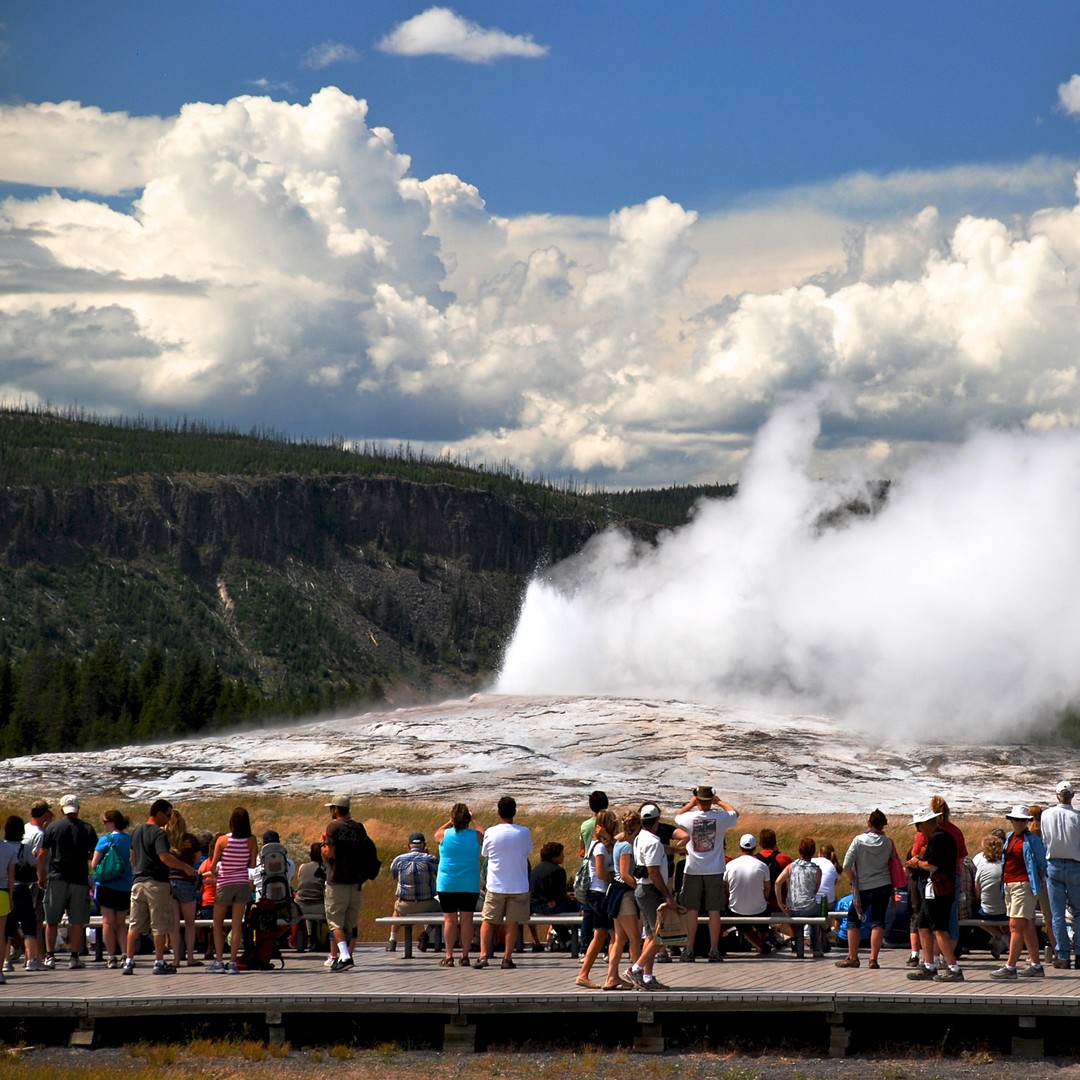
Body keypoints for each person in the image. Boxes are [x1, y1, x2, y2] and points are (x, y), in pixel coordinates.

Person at [123, 798, 199, 976]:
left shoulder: (137, 831)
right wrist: (186, 867)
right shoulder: (159, 833)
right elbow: (164, 857)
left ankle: (129, 961)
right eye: (168, 814)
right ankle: (159, 961)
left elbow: (132, 858)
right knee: (159, 924)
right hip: (156, 883)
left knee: (134, 925)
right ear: (158, 813)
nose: (169, 818)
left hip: (138, 882)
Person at [673, 784, 738, 963]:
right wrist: (720, 802)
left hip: (693, 868)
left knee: (692, 910)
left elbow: (677, 816)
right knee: (714, 910)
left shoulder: (689, 818)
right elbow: (735, 813)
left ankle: (689, 949)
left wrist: (691, 804)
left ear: (697, 800)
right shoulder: (720, 818)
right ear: (710, 800)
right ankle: (714, 949)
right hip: (715, 868)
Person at [37, 793, 97, 970]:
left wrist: (41, 875)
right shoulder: (87, 828)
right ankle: (74, 956)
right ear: (78, 809)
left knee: (52, 919)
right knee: (76, 921)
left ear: (61, 809)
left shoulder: (53, 827)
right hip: (79, 879)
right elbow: (94, 854)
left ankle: (50, 956)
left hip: (57, 877)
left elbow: (42, 853)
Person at [625, 804, 681, 990]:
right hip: (651, 891)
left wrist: (676, 851)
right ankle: (636, 969)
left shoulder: (641, 837)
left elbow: (659, 850)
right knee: (660, 935)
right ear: (657, 821)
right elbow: (653, 872)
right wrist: (668, 896)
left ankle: (647, 977)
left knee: (650, 935)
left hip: (643, 889)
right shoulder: (653, 842)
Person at [990, 805, 1048, 980]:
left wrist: (1040, 878)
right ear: (1011, 820)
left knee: (1015, 926)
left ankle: (1010, 966)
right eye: (1016, 819)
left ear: (1027, 822)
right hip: (1010, 885)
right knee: (1028, 925)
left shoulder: (1032, 840)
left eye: (1022, 820)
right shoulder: (1009, 838)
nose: (1018, 823)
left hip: (1024, 885)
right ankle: (1036, 965)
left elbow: (1042, 863)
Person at [906, 806, 963, 983]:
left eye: (919, 825)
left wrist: (917, 863)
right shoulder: (937, 837)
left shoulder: (939, 838)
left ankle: (953, 968)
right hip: (934, 889)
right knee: (923, 925)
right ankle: (929, 964)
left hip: (938, 890)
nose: (917, 829)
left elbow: (934, 865)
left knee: (939, 928)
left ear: (927, 823)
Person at [477, 796, 533, 970]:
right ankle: (507, 958)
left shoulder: (491, 832)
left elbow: (485, 853)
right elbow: (528, 850)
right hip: (518, 884)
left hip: (496, 884)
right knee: (512, 922)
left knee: (488, 920)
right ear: (514, 812)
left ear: (498, 812)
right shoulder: (524, 832)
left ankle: (483, 955)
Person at [321, 793, 375, 973]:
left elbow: (329, 853)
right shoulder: (359, 828)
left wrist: (323, 849)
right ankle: (347, 954)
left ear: (336, 809)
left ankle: (344, 956)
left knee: (335, 921)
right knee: (350, 922)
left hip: (337, 880)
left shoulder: (333, 828)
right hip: (356, 881)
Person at [837, 809, 895, 970]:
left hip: (863, 885)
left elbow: (846, 865)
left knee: (852, 920)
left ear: (869, 823)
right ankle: (873, 958)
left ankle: (853, 956)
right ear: (883, 825)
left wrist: (853, 879)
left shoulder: (858, 840)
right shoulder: (888, 842)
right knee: (878, 921)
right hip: (884, 884)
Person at [206, 806, 258, 975]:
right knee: (237, 925)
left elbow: (213, 866)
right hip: (242, 883)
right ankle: (233, 962)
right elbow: (252, 865)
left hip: (225, 883)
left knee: (217, 924)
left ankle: (219, 961)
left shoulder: (222, 840)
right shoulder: (251, 840)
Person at [1038, 780, 1080, 969]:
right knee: (1078, 912)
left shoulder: (1046, 815)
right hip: (1074, 864)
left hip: (1053, 863)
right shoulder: (1077, 816)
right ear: (1072, 796)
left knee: (1057, 914)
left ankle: (1062, 955)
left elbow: (1046, 839)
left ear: (1057, 796)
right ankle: (1079, 953)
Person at [435, 803, 483, 967]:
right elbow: (484, 835)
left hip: (447, 883)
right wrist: (475, 820)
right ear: (468, 819)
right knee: (467, 920)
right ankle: (465, 955)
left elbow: (436, 833)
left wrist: (450, 822)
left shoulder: (444, 835)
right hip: (469, 883)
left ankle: (448, 956)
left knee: (449, 920)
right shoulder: (475, 836)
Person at [576, 810, 617, 989]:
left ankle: (589, 974)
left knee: (601, 935)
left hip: (599, 893)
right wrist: (615, 873)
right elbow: (600, 873)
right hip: (598, 892)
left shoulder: (604, 844)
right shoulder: (599, 847)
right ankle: (606, 975)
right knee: (612, 935)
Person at [604, 810, 642, 991]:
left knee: (620, 938)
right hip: (624, 892)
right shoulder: (627, 846)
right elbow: (625, 874)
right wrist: (639, 887)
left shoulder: (620, 841)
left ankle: (612, 976)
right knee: (634, 937)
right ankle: (637, 974)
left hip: (615, 890)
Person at [90, 809, 133, 969]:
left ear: (112, 822)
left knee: (108, 922)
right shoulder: (130, 840)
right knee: (122, 923)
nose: (104, 825)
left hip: (106, 886)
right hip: (125, 886)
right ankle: (124, 954)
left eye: (105, 822)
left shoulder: (105, 840)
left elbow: (94, 864)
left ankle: (111, 956)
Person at [386, 832, 440, 952]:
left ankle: (392, 939)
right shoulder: (430, 859)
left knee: (396, 911)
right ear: (424, 845)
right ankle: (426, 933)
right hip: (427, 904)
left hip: (405, 904)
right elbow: (439, 873)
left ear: (408, 846)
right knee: (441, 910)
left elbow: (394, 875)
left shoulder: (398, 860)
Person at [166, 809, 202, 968]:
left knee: (173, 924)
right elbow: (198, 858)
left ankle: (175, 959)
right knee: (190, 923)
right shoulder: (190, 839)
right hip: (186, 882)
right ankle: (190, 957)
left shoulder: (165, 840)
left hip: (169, 881)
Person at [724, 833, 771, 956]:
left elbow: (725, 888)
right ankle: (762, 941)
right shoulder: (762, 866)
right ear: (755, 848)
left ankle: (760, 945)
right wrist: (764, 899)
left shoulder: (730, 865)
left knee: (743, 924)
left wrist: (729, 899)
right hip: (759, 909)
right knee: (763, 915)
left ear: (740, 847)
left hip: (735, 908)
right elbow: (767, 889)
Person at [777, 837, 824, 957]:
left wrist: (780, 903)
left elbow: (778, 883)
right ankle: (816, 947)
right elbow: (815, 889)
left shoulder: (791, 866)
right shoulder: (816, 869)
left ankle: (799, 945)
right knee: (815, 916)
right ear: (813, 852)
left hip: (793, 908)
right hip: (809, 907)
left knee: (804, 916)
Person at [529, 842, 577, 951]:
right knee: (578, 907)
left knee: (556, 914)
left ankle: (567, 938)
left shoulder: (535, 870)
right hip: (549, 906)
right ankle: (575, 940)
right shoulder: (558, 871)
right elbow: (559, 894)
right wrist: (571, 898)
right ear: (554, 857)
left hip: (534, 906)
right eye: (561, 854)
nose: (563, 856)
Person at [578, 791, 608, 954]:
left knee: (588, 912)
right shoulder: (609, 823)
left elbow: (582, 848)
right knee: (604, 912)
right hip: (603, 867)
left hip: (588, 868)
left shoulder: (585, 825)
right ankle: (604, 948)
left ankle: (584, 947)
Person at [973, 833, 1008, 959]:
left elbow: (977, 894)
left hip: (988, 911)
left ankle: (1000, 936)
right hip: (1005, 911)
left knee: (974, 914)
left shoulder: (981, 868)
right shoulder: (1005, 867)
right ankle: (1001, 937)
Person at [293, 841, 326, 953]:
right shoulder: (325, 868)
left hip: (300, 905)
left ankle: (308, 938)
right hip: (319, 904)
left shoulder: (302, 867)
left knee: (306, 916)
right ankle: (321, 940)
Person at [0, 816, 18, 983]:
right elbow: (11, 877)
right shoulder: (8, 849)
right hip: (3, 891)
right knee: (1, 934)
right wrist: (11, 896)